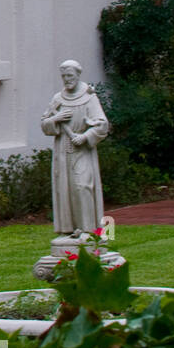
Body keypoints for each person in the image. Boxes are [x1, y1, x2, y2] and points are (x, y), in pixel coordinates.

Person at [40, 59, 109, 237]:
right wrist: (56, 119)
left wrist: (85, 136)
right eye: (63, 76)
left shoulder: (89, 97)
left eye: (70, 76)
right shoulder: (58, 99)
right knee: (66, 189)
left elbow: (102, 125)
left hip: (82, 149)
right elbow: (45, 123)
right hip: (63, 149)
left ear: (78, 75)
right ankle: (70, 229)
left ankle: (88, 229)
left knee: (82, 186)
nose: (66, 79)